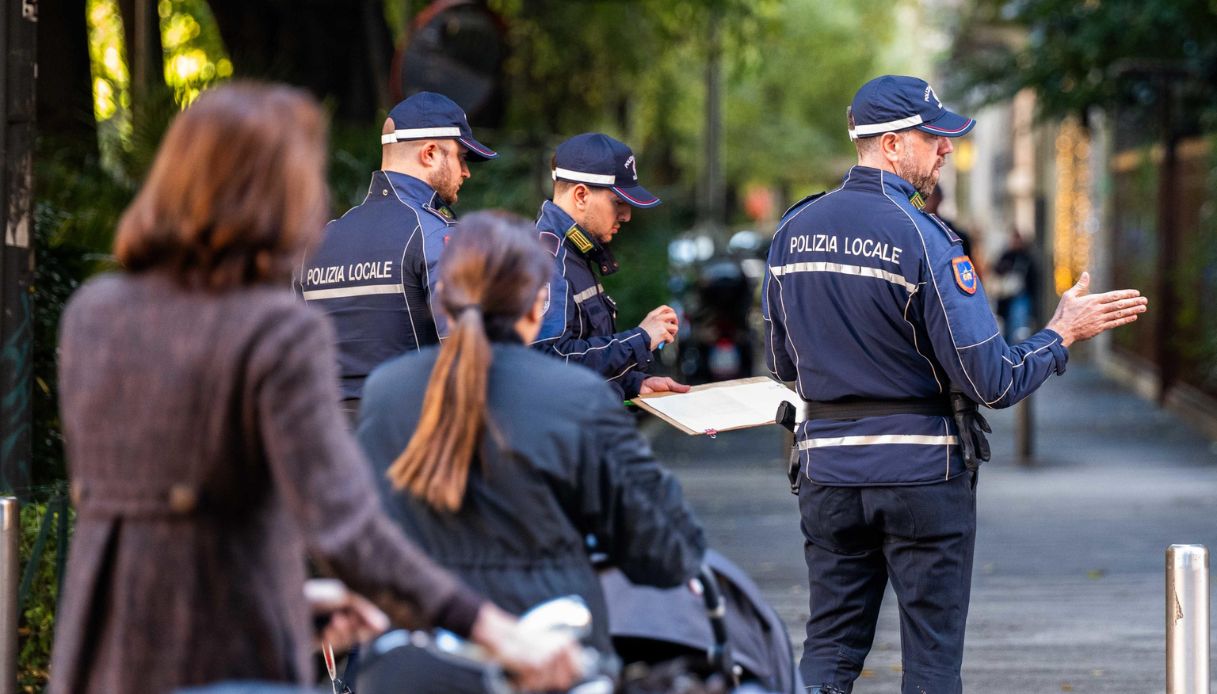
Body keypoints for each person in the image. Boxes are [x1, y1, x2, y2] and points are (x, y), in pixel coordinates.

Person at [50, 82, 580, 694]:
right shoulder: (276, 331)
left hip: (105, 652)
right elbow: (345, 528)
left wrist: (295, 595)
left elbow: (170, 510)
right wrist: (493, 628)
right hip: (225, 659)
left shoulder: (94, 313)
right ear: (270, 191)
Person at [762, 75, 1148, 694]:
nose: (945, 149)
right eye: (932, 136)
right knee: (932, 661)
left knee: (829, 647)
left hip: (827, 476)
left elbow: (785, 365)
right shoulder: (924, 237)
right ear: (890, 145)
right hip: (922, 478)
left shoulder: (791, 234)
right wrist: (1061, 334)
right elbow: (992, 380)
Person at [356, 211, 706, 658]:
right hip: (551, 651)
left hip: (416, 652)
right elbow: (665, 549)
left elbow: (360, 536)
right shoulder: (576, 398)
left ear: (442, 299)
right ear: (540, 301)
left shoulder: (386, 392)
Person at [297, 91, 497, 418]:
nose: (466, 172)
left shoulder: (319, 239)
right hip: (412, 443)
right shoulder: (436, 233)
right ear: (430, 153)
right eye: (462, 157)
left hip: (328, 446)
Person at [530, 132, 688, 400]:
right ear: (581, 195)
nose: (626, 216)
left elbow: (579, 361)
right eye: (619, 203)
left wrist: (632, 383)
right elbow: (547, 365)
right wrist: (640, 338)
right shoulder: (545, 260)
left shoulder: (574, 253)